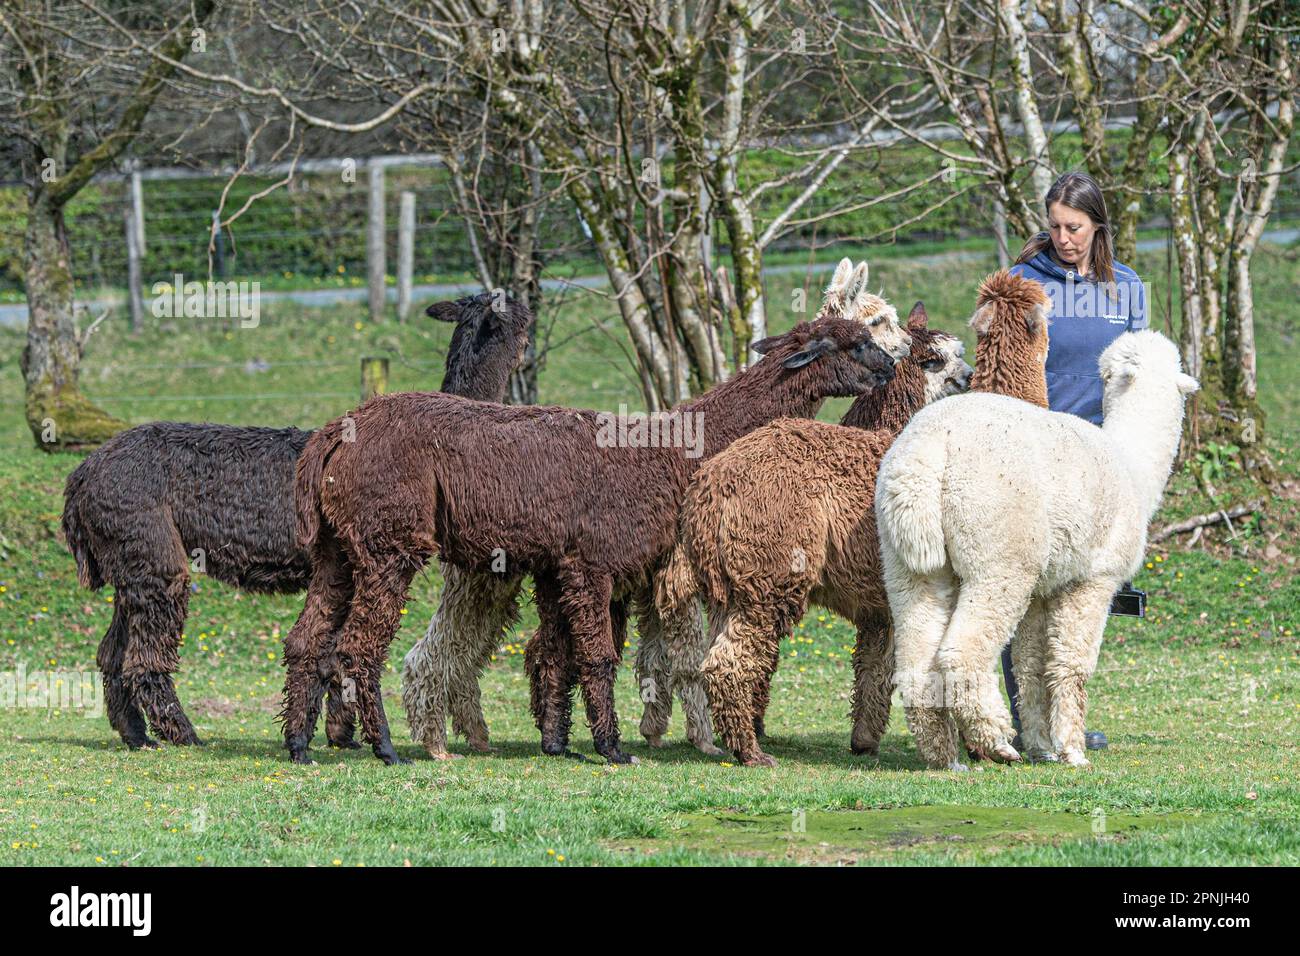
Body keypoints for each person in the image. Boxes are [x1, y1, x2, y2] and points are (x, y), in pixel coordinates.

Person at [1004, 170, 1148, 753]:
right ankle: (1024, 719)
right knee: (1024, 584)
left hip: (1100, 459)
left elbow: (1138, 376)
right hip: (1034, 453)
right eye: (1056, 227)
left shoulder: (1127, 288)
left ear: (1097, 226)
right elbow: (999, 364)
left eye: (1076, 227)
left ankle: (1065, 718)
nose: (1064, 238)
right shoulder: (1020, 282)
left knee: (1081, 594)